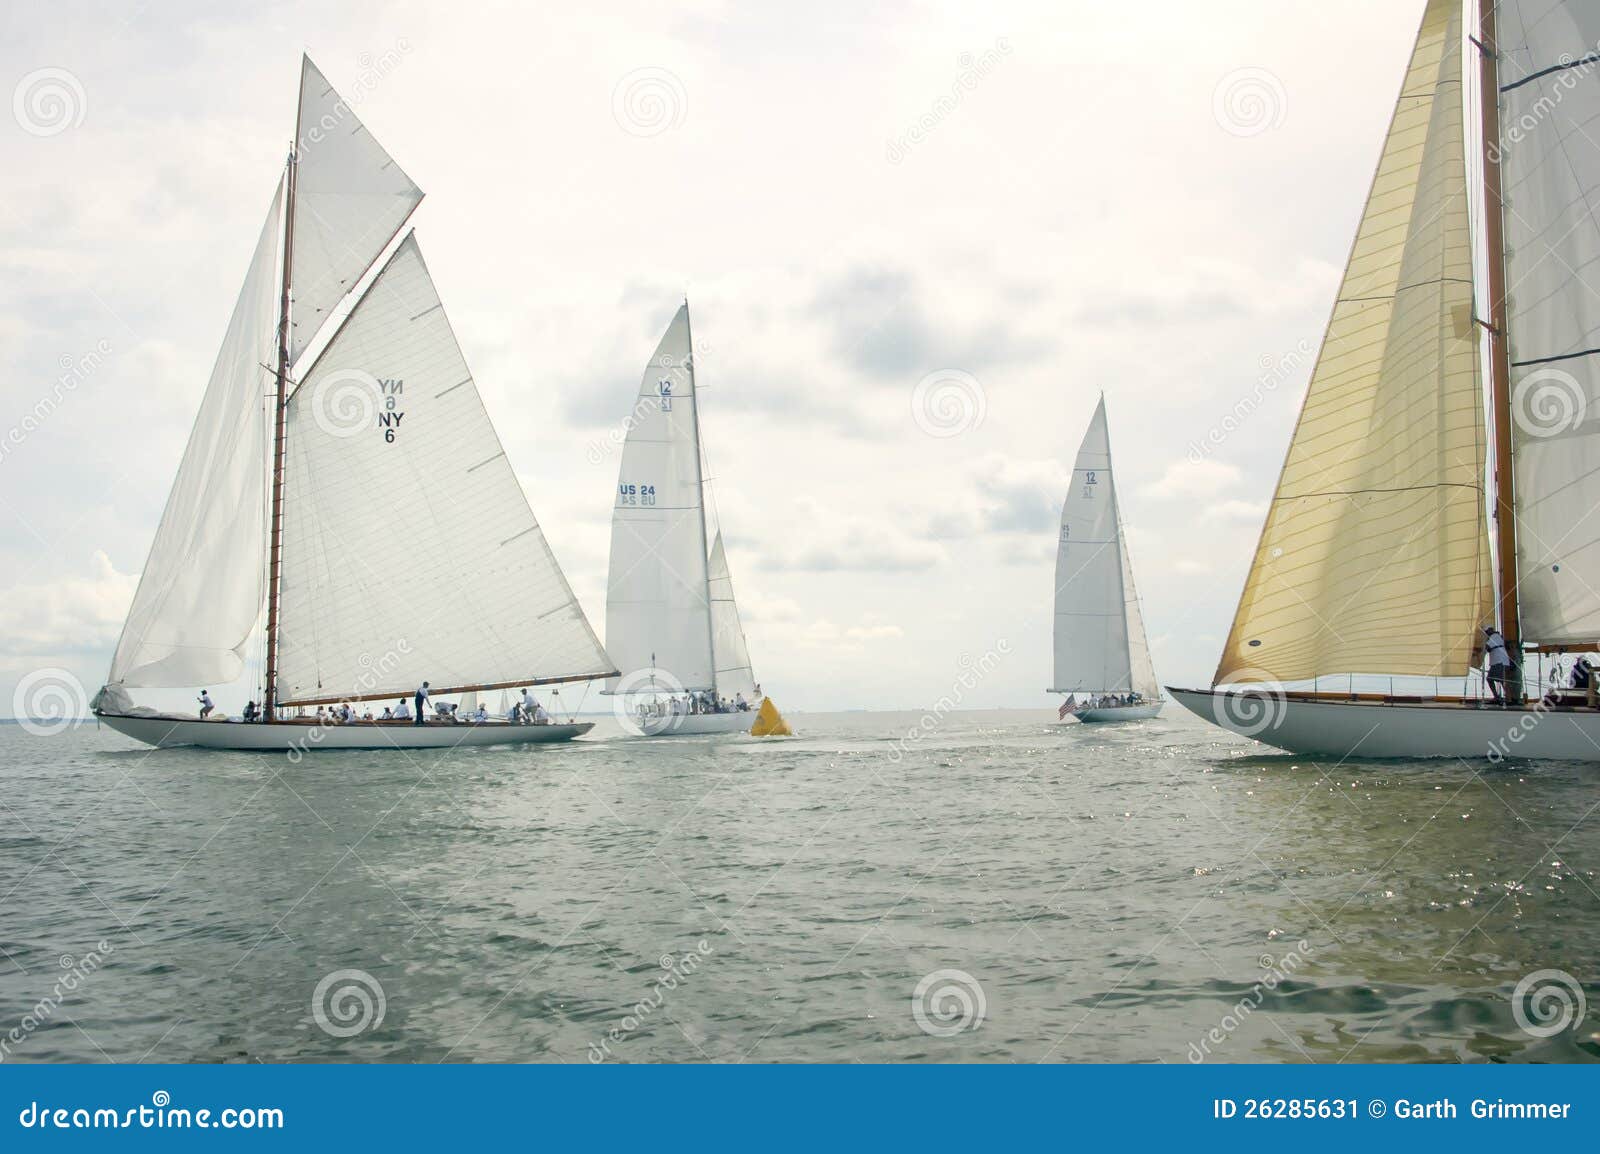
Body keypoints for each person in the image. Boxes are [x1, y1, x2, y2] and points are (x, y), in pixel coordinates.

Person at [1484, 626, 1512, 705]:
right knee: (1491, 679)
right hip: (1498, 661)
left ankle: (1508, 699)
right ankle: (1498, 697)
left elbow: (1487, 647)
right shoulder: (1496, 636)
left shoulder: (1494, 636)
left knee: (1502, 680)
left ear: (1490, 630)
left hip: (1499, 661)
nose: (1486, 633)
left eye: (1487, 631)